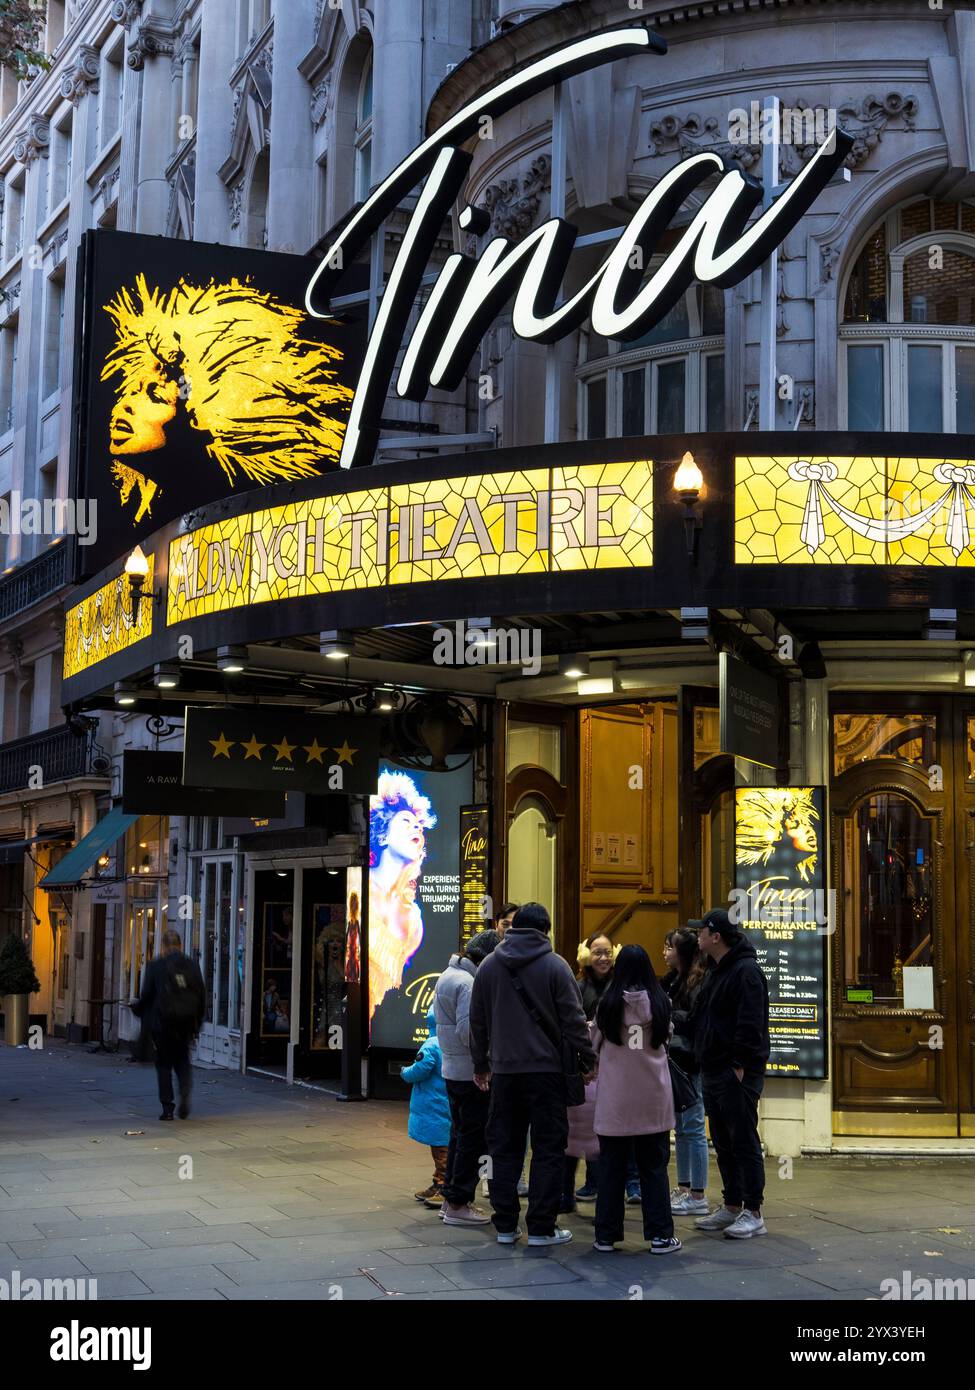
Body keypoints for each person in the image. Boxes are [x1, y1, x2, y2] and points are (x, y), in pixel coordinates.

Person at [469, 901, 595, 1247]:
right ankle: (541, 1227)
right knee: (549, 1150)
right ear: (546, 930)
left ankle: (506, 1225)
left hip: (505, 1074)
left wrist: (480, 1064)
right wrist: (588, 1058)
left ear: (513, 928)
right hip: (547, 1074)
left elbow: (477, 1021)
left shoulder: (489, 966)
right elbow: (573, 1020)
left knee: (503, 1150)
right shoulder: (556, 966)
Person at [591, 944, 680, 1255]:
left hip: (615, 1101)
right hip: (652, 1098)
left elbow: (594, 1044)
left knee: (611, 1169)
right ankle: (659, 1237)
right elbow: (667, 1041)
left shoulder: (607, 1005)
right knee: (653, 1168)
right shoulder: (661, 1003)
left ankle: (605, 1236)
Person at [690, 907, 770, 1240]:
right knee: (723, 1141)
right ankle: (732, 1204)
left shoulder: (746, 971)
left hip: (734, 1072)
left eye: (701, 931)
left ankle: (754, 1210)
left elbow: (751, 1024)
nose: (697, 936)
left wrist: (738, 1066)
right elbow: (703, 1017)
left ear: (715, 936)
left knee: (743, 1140)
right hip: (713, 1069)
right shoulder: (716, 970)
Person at [434, 928, 500, 1226]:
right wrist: (484, 1063)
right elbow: (468, 1032)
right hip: (469, 1072)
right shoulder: (468, 984)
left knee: (460, 1134)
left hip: (453, 1071)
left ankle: (450, 1199)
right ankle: (459, 1202)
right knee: (472, 1138)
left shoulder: (449, 976)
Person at [130, 929, 205, 1122]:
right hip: (185, 1023)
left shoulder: (155, 966)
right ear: (180, 945)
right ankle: (185, 1090)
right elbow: (201, 995)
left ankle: (167, 1108)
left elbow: (146, 995)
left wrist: (136, 1009)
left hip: (162, 1024)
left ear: (163, 945)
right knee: (182, 1061)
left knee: (163, 1065)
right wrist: (197, 1023)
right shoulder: (191, 964)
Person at [662, 927, 710, 1216]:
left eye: (669, 947)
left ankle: (698, 1193)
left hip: (691, 1061)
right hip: (678, 1059)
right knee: (681, 1128)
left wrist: (669, 1012)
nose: (665, 952)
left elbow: (695, 1020)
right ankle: (683, 1187)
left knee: (693, 1127)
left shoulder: (698, 982)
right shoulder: (674, 980)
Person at [570, 933, 617, 1204]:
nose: (603, 958)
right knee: (587, 1124)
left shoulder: (620, 986)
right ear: (586, 955)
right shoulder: (578, 986)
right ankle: (591, 1181)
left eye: (608, 952)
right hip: (587, 1065)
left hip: (614, 1065)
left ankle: (625, 1182)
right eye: (598, 952)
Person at [401, 1005, 452, 1206]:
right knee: (443, 1145)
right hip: (445, 1102)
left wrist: (405, 1072)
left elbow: (420, 1069)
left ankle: (443, 1186)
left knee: (440, 1149)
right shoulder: (449, 1041)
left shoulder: (430, 1044)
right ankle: (439, 1182)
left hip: (433, 1104)